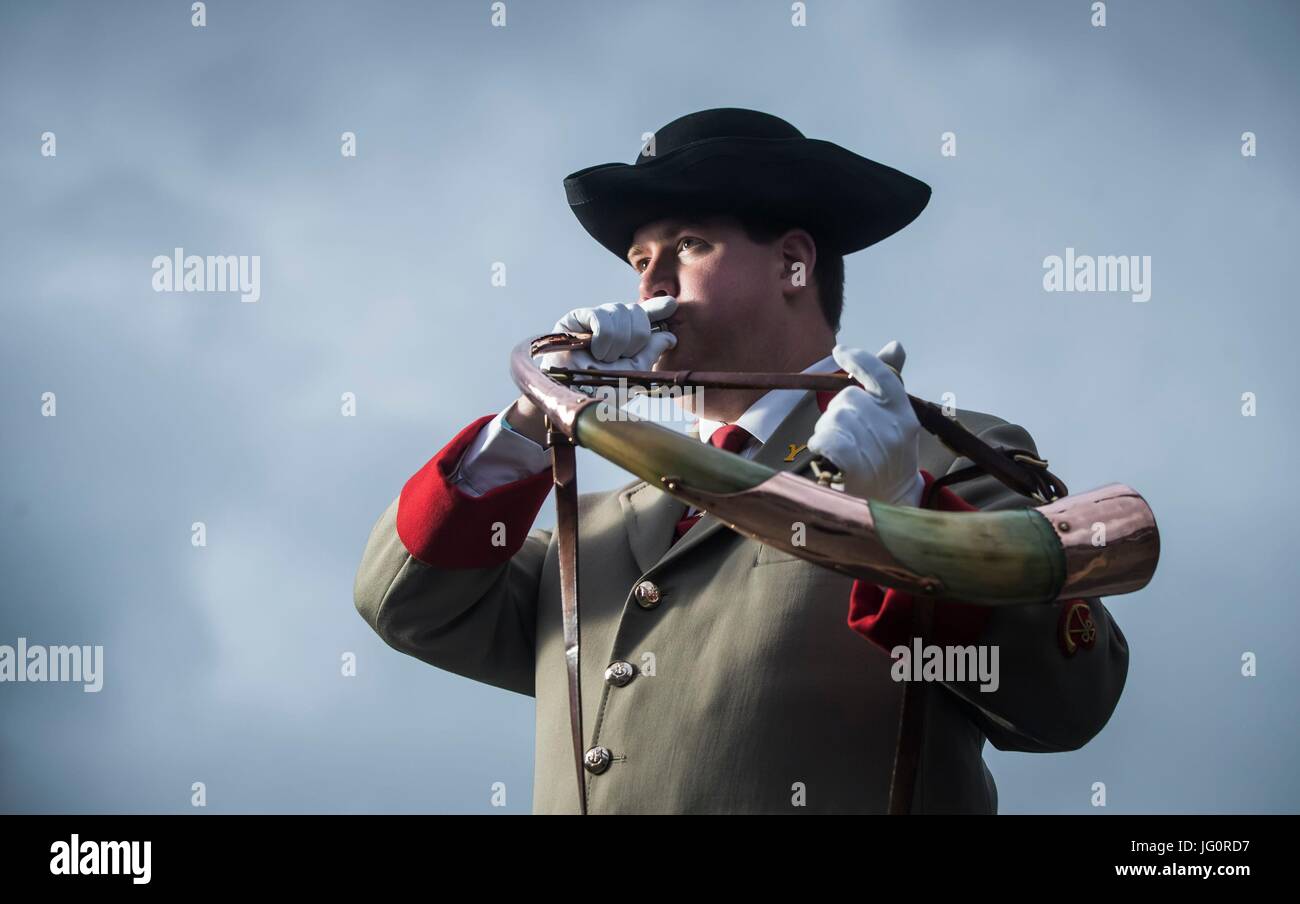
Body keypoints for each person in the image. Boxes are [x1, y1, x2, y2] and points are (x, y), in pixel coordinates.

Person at [353, 108, 1129, 814]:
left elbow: (1068, 702)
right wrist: (530, 417)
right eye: (638, 259)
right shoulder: (591, 532)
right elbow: (407, 602)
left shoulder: (936, 459)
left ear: (794, 262)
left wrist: (907, 510)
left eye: (688, 245)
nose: (651, 280)